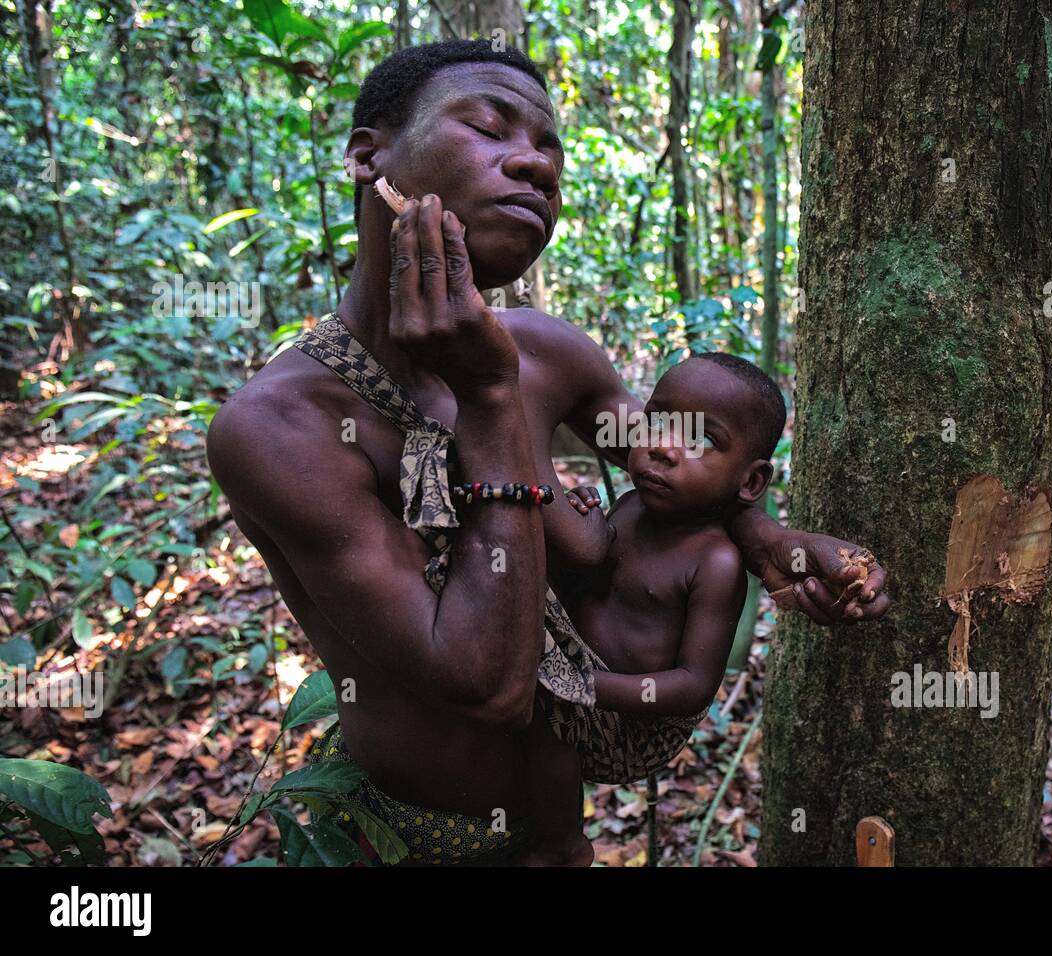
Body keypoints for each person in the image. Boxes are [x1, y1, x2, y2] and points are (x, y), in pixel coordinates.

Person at [206, 39, 888, 866]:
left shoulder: (552, 355)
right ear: (368, 154)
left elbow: (679, 478)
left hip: (558, 836)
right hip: (416, 840)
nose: (532, 164)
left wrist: (776, 543)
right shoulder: (280, 428)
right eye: (490, 128)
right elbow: (486, 683)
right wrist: (490, 398)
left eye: (548, 150)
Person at [518, 353, 787, 865]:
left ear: (750, 483)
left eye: (701, 441)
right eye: (657, 422)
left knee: (543, 721)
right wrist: (582, 528)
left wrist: (587, 688)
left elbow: (691, 686)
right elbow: (584, 588)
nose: (662, 447)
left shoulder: (715, 562)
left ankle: (561, 844)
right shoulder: (631, 505)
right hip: (575, 673)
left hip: (630, 726)